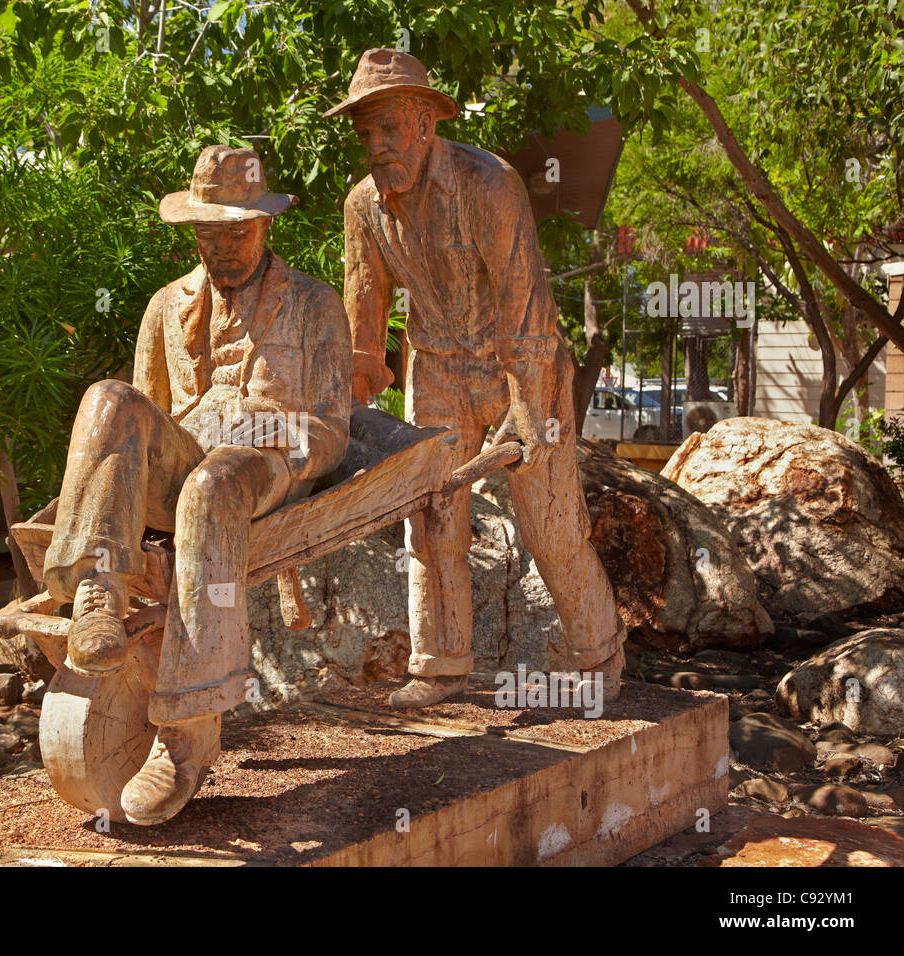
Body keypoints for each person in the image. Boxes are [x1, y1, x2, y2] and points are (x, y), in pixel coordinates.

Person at [42, 145, 352, 823]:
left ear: (267, 226)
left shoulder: (313, 304)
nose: (221, 248)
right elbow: (143, 415)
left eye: (236, 232)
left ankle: (185, 739)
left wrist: (267, 436)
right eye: (207, 234)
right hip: (186, 460)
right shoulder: (165, 307)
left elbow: (331, 430)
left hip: (265, 467)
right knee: (107, 398)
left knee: (211, 486)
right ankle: (97, 589)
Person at [326, 49, 627, 710]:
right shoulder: (363, 208)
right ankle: (439, 667)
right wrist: (342, 408)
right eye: (367, 132)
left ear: (427, 123)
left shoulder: (489, 183)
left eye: (390, 129)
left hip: (523, 362)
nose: (378, 146)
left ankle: (597, 656)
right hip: (434, 368)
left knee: (547, 518)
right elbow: (364, 323)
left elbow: (529, 311)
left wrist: (527, 407)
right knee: (431, 518)